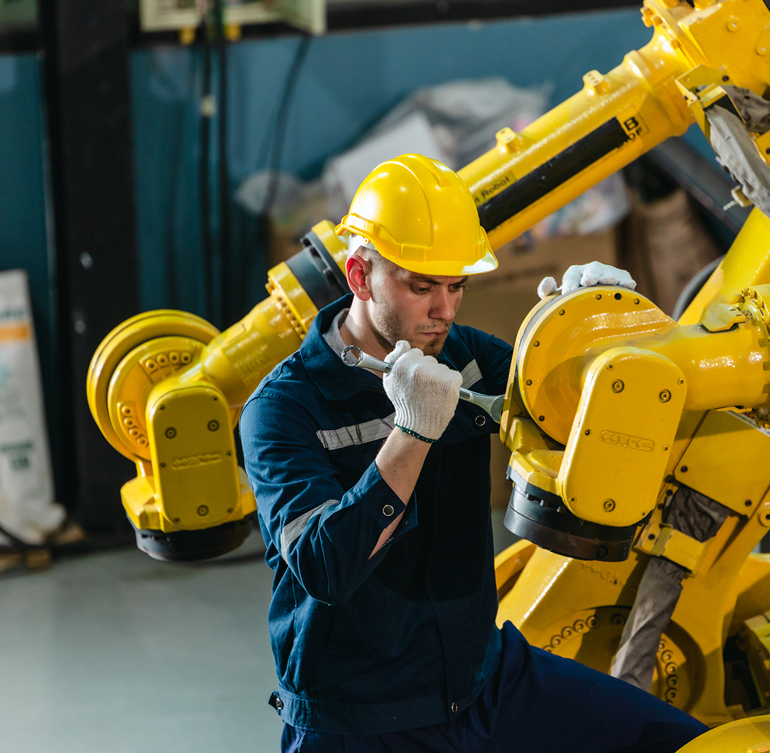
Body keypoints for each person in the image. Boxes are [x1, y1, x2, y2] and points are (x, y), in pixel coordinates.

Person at [239, 154, 707, 753]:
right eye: (421, 286)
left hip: (483, 681)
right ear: (358, 276)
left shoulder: (463, 355)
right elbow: (325, 569)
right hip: (360, 719)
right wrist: (412, 431)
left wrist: (590, 334)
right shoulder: (285, 409)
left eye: (457, 285)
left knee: (680, 743)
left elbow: (569, 414)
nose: (445, 310)